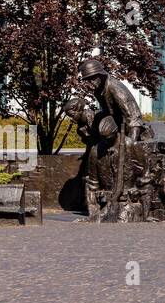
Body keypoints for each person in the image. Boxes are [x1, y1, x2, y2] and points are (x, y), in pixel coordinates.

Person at [63, 56, 153, 220]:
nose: (91, 82)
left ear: (101, 74)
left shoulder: (114, 87)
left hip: (126, 133)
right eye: (88, 79)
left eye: (93, 78)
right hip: (112, 131)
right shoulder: (99, 90)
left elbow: (133, 115)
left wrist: (131, 144)